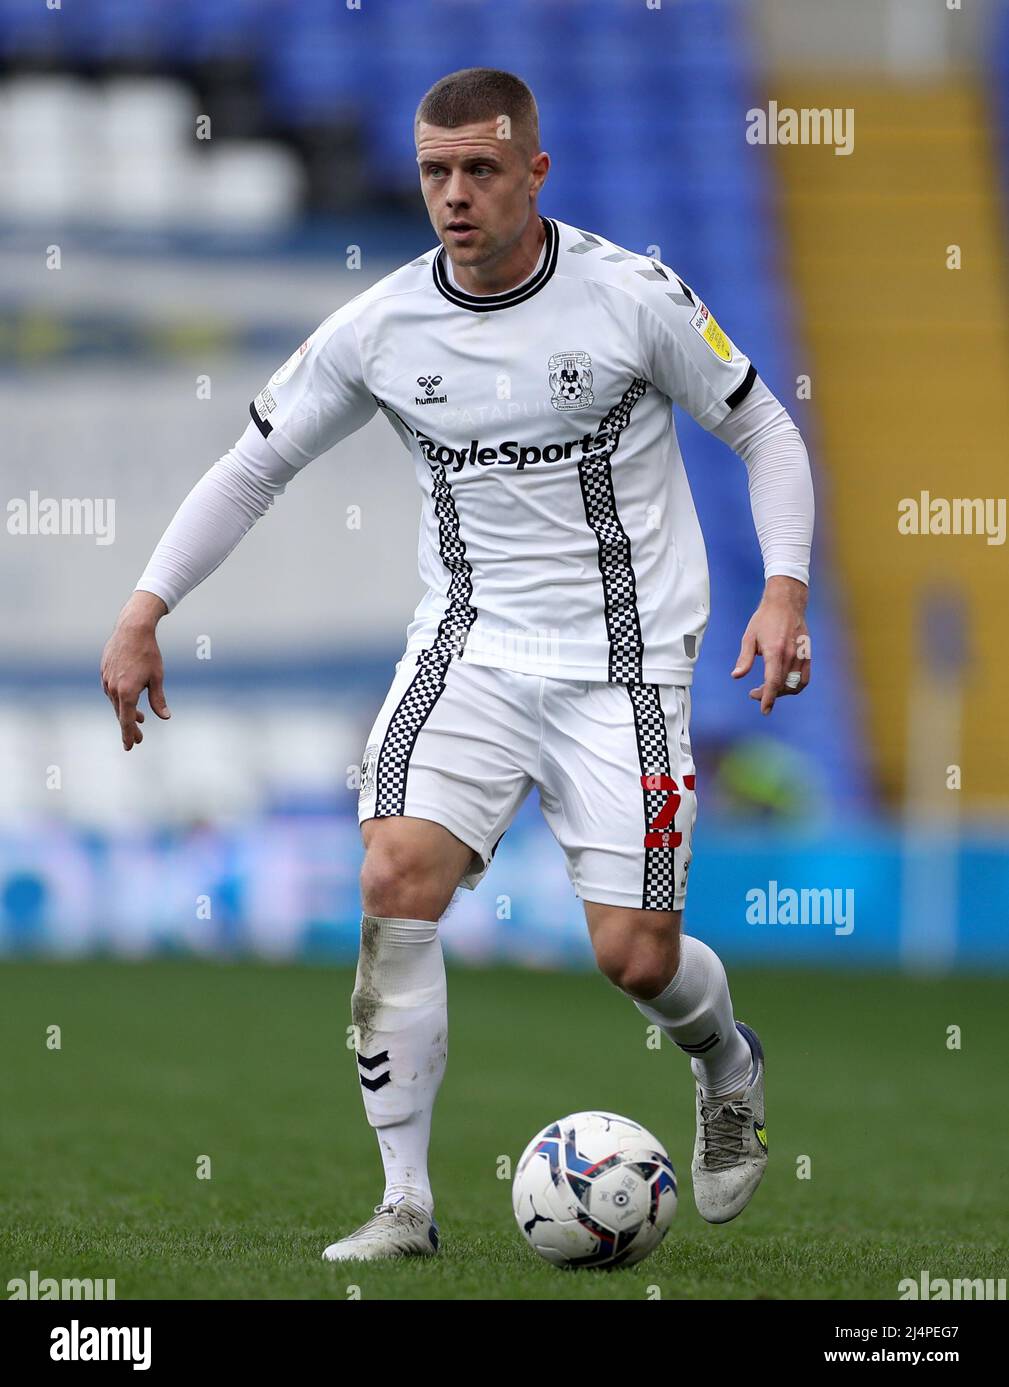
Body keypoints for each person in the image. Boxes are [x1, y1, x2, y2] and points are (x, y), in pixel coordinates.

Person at [100, 67, 814, 1263]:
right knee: (395, 876)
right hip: (467, 651)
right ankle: (405, 1202)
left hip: (624, 665)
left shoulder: (631, 297)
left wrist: (784, 587)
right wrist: (146, 603)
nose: (454, 194)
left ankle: (726, 1060)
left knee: (633, 955)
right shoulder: (380, 325)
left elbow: (761, 427)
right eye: (435, 171)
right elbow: (251, 467)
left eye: (481, 169)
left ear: (536, 172)